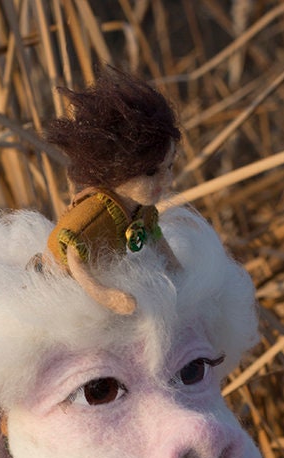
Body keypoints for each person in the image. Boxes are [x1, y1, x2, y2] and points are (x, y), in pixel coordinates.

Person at [43, 66, 182, 314]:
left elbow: (155, 237)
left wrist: (178, 270)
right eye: (150, 172)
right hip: (58, 283)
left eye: (169, 166)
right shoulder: (96, 213)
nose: (166, 181)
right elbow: (73, 257)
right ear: (114, 170)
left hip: (107, 270)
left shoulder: (141, 209)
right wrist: (105, 295)